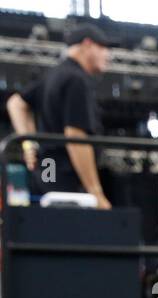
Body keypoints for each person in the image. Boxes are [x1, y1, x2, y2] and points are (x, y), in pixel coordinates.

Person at [6, 24, 115, 207]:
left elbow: (15, 103)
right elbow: (75, 136)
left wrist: (29, 143)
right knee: (63, 225)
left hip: (48, 167)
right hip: (63, 173)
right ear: (87, 44)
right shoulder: (76, 79)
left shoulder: (53, 75)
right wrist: (96, 193)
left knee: (46, 218)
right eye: (103, 48)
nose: (108, 55)